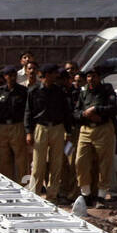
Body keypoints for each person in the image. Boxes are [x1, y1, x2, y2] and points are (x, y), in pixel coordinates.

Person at [25, 64, 73, 199]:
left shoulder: (59, 91)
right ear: (46, 75)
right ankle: (35, 194)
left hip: (57, 128)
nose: (56, 76)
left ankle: (52, 196)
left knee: (56, 164)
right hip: (41, 128)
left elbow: (66, 112)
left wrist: (68, 132)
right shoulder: (34, 91)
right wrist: (28, 132)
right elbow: (28, 112)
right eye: (53, 73)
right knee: (38, 164)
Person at [74, 65, 117, 203]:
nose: (91, 79)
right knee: (80, 161)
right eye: (88, 76)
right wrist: (85, 114)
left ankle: (101, 195)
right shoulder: (83, 91)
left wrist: (96, 110)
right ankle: (86, 194)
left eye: (94, 76)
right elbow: (75, 112)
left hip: (103, 129)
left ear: (99, 77)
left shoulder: (107, 89)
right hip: (86, 130)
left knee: (104, 163)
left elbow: (113, 109)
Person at [0, 65, 29, 183]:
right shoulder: (0, 91)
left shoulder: (23, 91)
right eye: (8, 75)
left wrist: (27, 130)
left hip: (17, 125)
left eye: (13, 75)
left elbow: (27, 111)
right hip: (2, 127)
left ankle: (23, 185)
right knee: (5, 159)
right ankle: (8, 185)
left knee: (20, 158)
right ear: (5, 77)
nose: (11, 77)